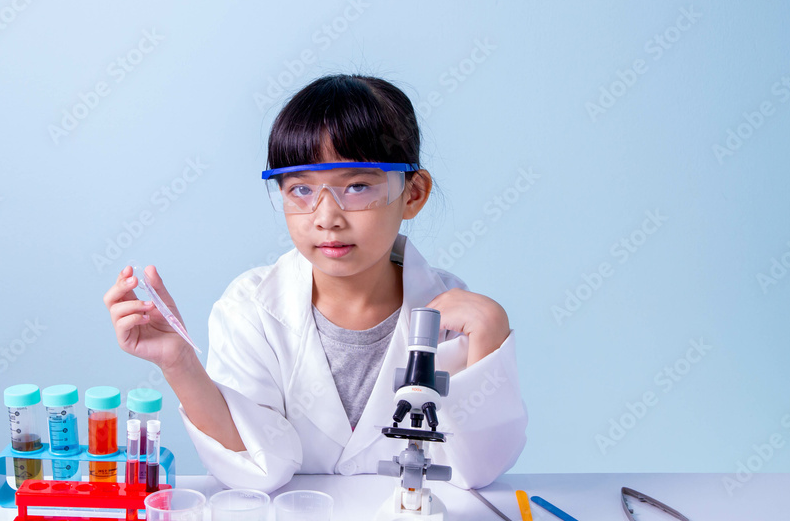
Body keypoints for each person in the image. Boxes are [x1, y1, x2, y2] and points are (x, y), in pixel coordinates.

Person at [104, 74, 527, 492]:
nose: (326, 216)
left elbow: (477, 469)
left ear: (412, 194)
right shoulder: (250, 309)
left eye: (358, 186)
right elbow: (259, 467)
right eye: (302, 189)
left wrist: (490, 334)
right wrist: (179, 363)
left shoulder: (453, 315)